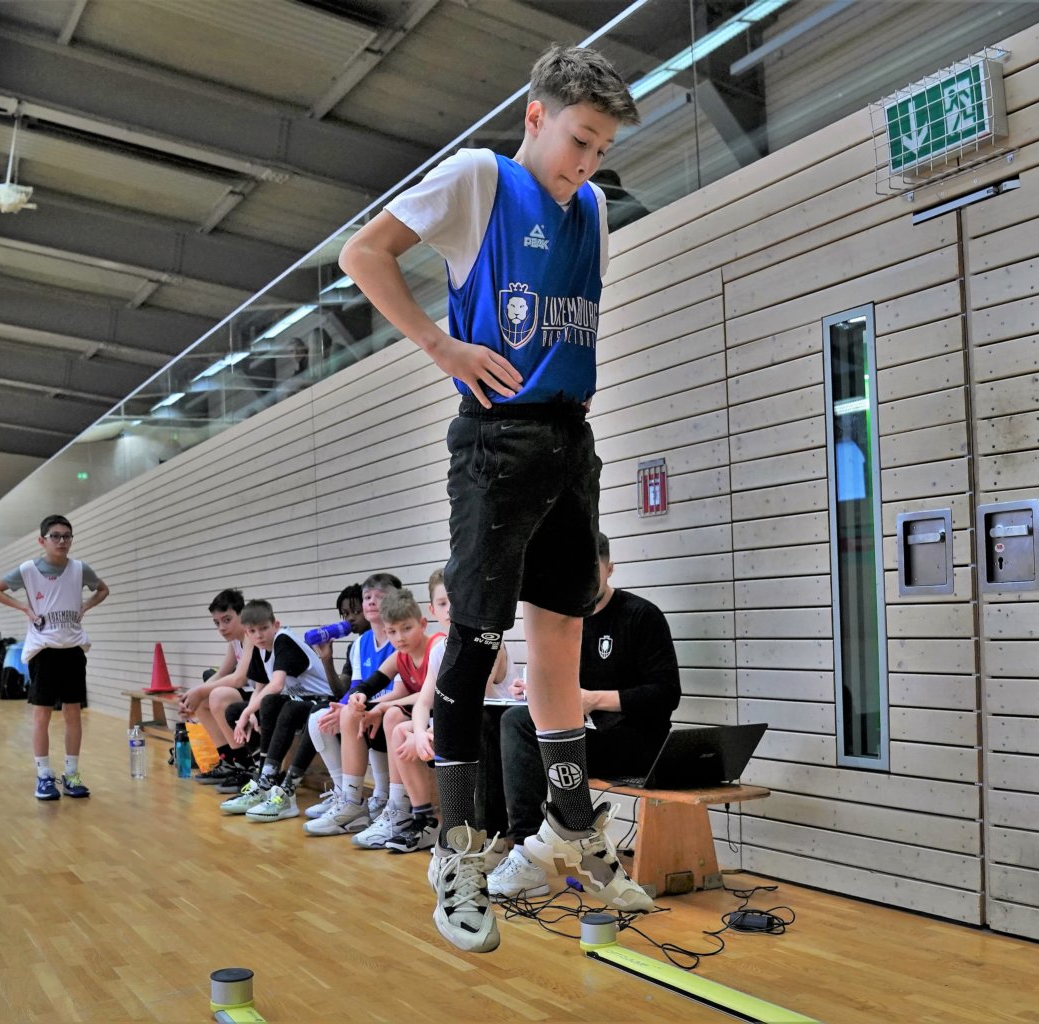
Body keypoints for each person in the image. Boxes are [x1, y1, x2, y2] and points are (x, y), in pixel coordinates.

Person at [339, 43, 648, 952]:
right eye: (578, 140)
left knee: (558, 642)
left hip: (570, 439)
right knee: (474, 640)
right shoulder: (480, 180)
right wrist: (443, 349)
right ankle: (457, 853)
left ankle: (568, 831)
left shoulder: (590, 205)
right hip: (497, 439)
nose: (587, 163)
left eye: (601, 148)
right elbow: (364, 253)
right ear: (535, 118)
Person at [486, 532, 681, 898]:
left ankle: (532, 852)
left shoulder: (642, 616)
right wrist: (533, 692)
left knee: (520, 727)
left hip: (636, 741)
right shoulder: (564, 622)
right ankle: (510, 842)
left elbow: (666, 694)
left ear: (609, 569)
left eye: (592, 572)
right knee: (502, 719)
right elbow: (559, 689)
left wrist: (593, 700)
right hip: (582, 732)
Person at [0, 515, 110, 802]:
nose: (62, 541)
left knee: (73, 713)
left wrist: (87, 606)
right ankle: (43, 776)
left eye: (67, 536)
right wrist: (24, 608)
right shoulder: (28, 570)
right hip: (43, 651)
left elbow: (103, 589)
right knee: (41, 715)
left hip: (73, 650)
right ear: (42, 540)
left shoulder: (80, 569)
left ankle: (72, 774)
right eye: (55, 536)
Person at [386, 569, 510, 854]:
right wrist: (419, 733)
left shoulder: (490, 642)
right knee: (401, 731)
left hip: (493, 730)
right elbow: (422, 703)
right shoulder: (441, 648)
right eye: (443, 603)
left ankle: (485, 834)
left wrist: (433, 730)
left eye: (459, 600)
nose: (452, 609)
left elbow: (472, 697)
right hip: (464, 726)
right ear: (432, 609)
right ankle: (425, 818)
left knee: (455, 728)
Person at [303, 572, 401, 831]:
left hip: (396, 707)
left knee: (358, 716)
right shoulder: (361, 643)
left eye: (378, 598)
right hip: (369, 707)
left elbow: (401, 690)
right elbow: (357, 687)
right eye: (367, 597)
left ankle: (380, 797)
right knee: (320, 718)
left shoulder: (401, 636)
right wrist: (343, 705)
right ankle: (345, 795)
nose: (370, 602)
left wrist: (351, 708)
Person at [218, 599, 333, 820]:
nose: (259, 635)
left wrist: (246, 714)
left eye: (263, 628)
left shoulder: (283, 641)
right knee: (243, 709)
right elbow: (261, 688)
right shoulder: (262, 649)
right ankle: (264, 780)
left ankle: (285, 790)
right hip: (297, 701)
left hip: (324, 701)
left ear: (276, 625)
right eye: (253, 631)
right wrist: (249, 712)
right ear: (247, 634)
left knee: (281, 705)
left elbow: (276, 685)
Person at [184, 589, 270, 786]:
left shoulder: (250, 636)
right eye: (217, 622)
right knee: (203, 699)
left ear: (242, 615)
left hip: (268, 693)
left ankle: (244, 763)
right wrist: (194, 695)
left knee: (218, 695)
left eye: (227, 619)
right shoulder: (234, 641)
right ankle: (228, 760)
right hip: (253, 693)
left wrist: (200, 691)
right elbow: (222, 672)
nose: (221, 627)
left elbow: (239, 679)